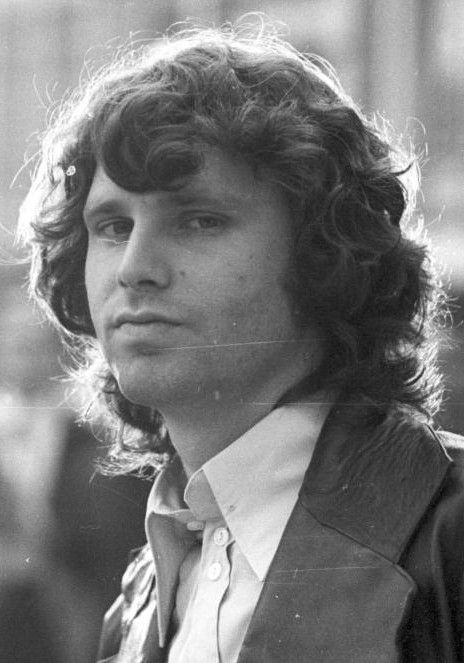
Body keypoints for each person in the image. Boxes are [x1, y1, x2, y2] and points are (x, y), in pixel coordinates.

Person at [18, 19, 464, 662]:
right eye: (112, 226)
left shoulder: (449, 539)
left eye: (199, 220)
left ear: (326, 254)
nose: (134, 267)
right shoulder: (142, 596)